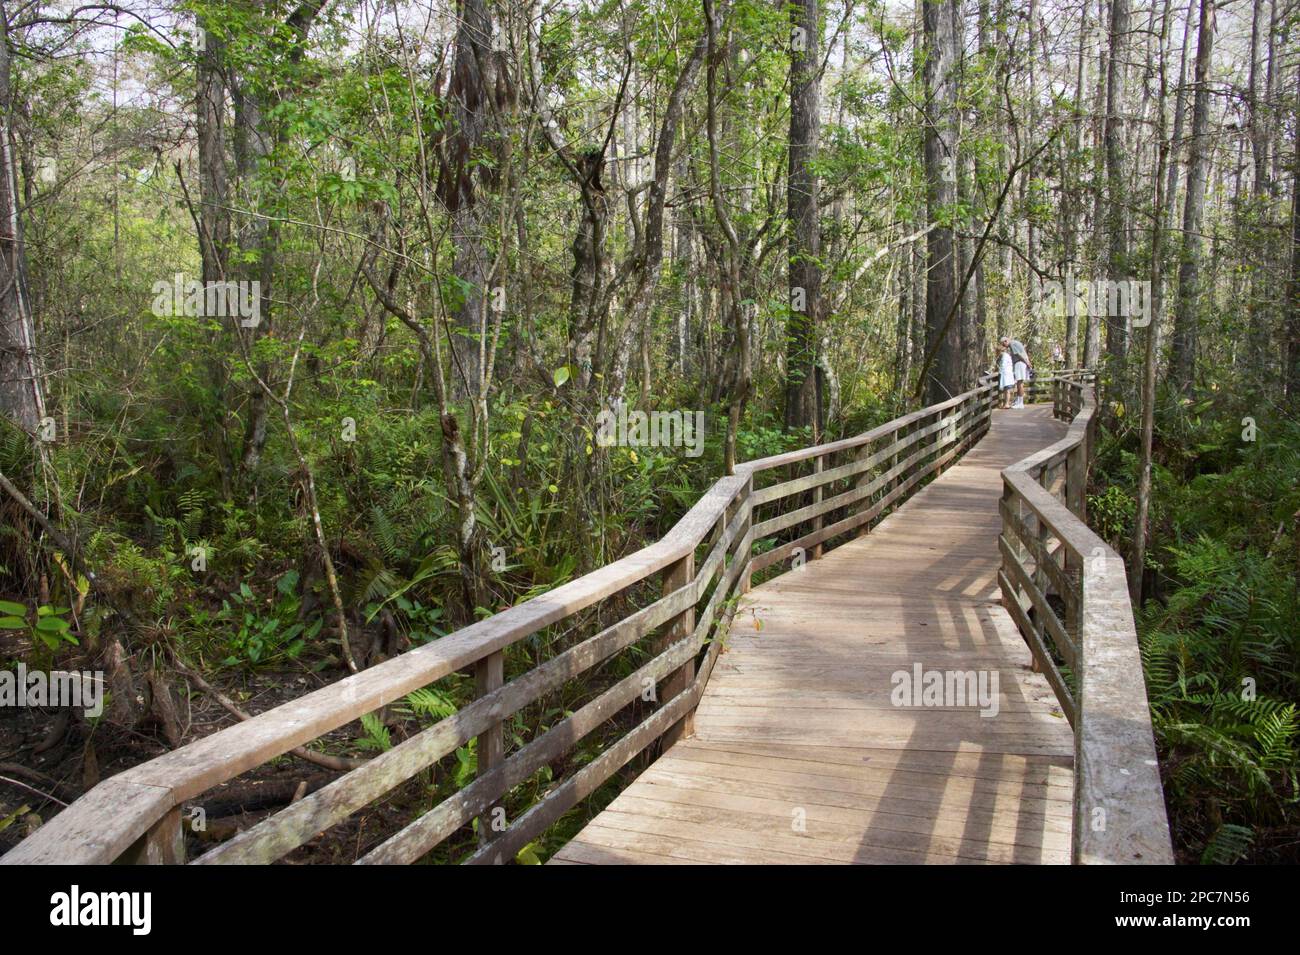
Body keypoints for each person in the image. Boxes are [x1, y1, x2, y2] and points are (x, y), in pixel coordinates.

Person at [1001, 336, 1032, 408]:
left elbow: (1019, 354)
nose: (1004, 346)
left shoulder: (1012, 344)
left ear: (1006, 341)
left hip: (1020, 362)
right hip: (1021, 363)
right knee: (1019, 383)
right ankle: (1018, 401)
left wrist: (1027, 362)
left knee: (1020, 383)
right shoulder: (1016, 342)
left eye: (1003, 344)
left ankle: (1020, 403)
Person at [997, 342, 1015, 409]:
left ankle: (1007, 403)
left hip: (1006, 375)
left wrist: (998, 370)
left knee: (1007, 390)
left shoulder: (1004, 356)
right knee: (1006, 390)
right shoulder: (1006, 355)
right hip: (1007, 374)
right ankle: (1005, 403)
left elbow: (1003, 366)